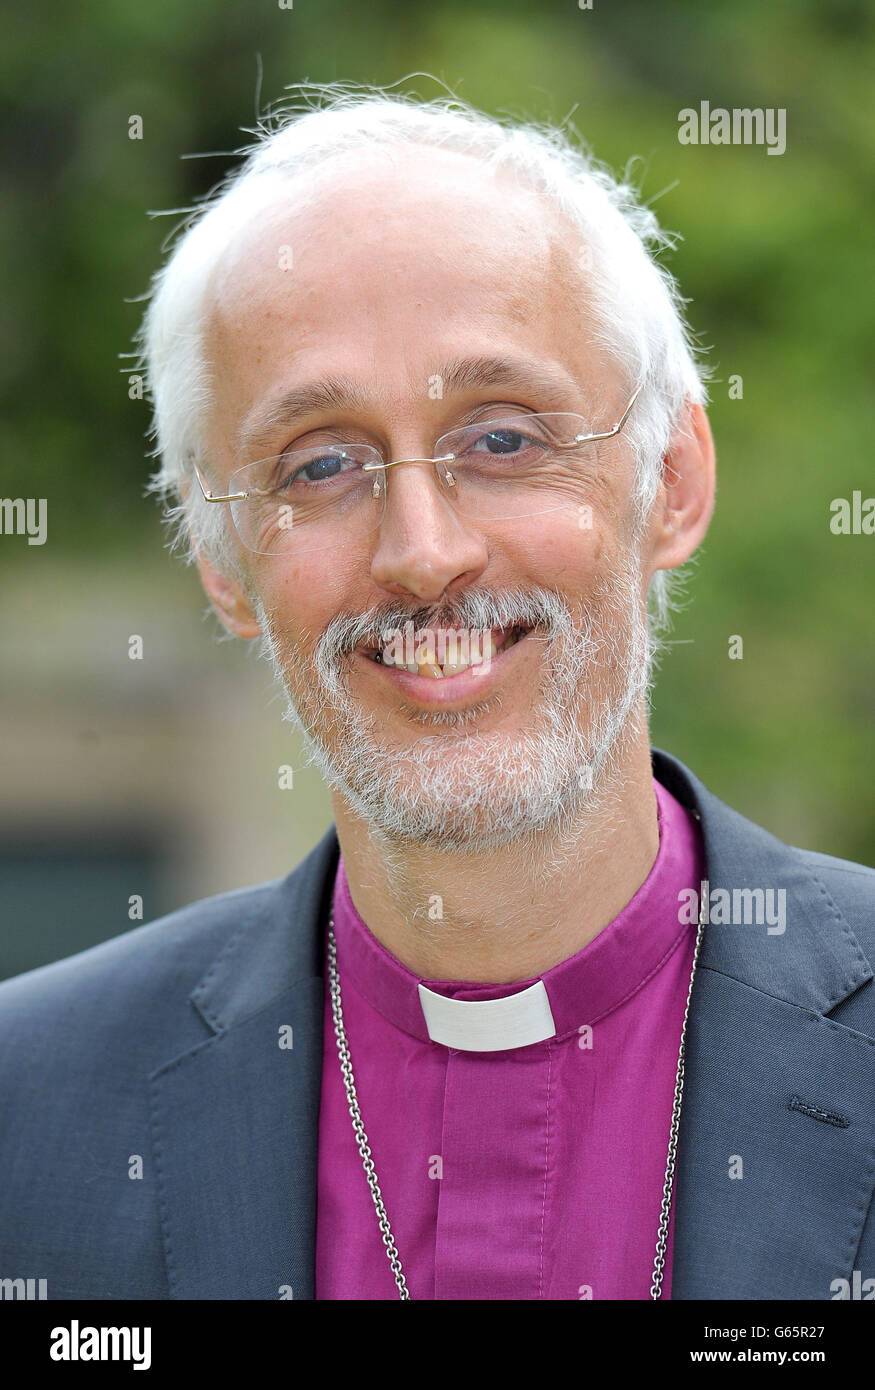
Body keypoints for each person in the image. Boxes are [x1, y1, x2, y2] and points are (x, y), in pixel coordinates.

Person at [1, 86, 873, 1302]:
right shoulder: (24, 1112)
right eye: (320, 464)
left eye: (502, 438)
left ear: (669, 482)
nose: (422, 552)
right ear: (221, 561)